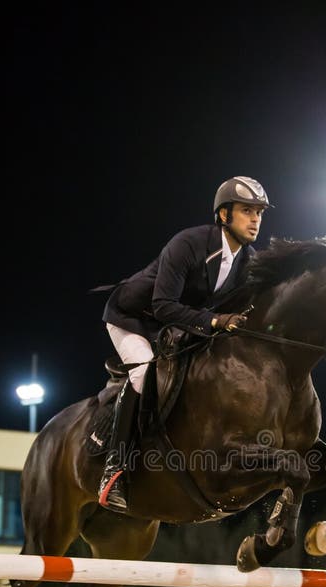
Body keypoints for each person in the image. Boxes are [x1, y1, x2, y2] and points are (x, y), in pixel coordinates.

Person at [98, 176, 272, 512]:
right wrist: (214, 321)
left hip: (176, 324)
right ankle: (114, 469)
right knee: (143, 374)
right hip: (134, 317)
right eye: (247, 211)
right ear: (224, 215)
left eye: (259, 213)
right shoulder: (189, 243)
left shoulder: (247, 261)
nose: (255, 220)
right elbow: (163, 305)